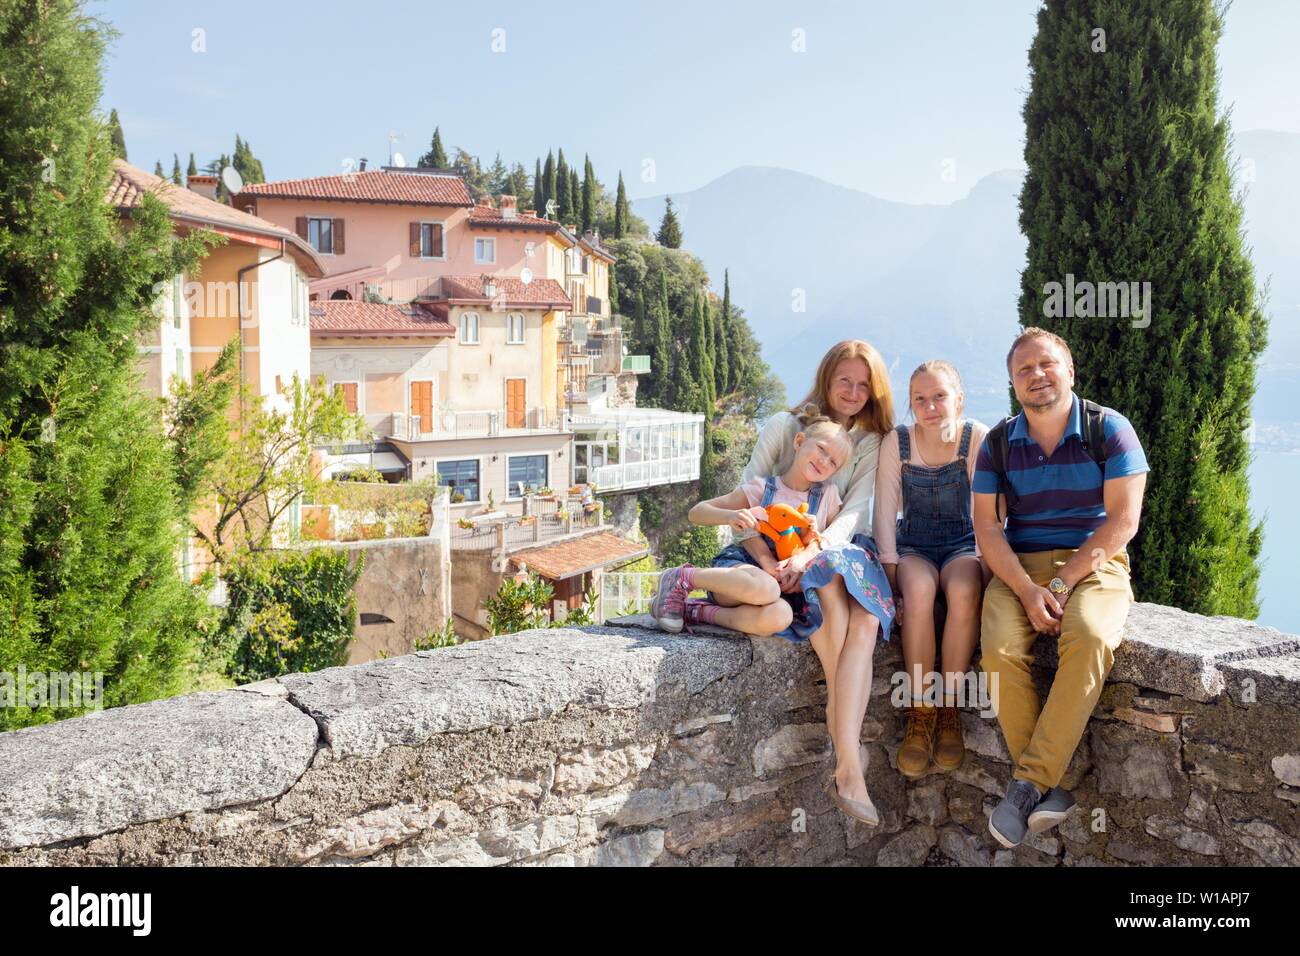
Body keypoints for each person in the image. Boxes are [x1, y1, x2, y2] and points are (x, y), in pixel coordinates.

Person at [649, 408, 895, 825]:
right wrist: (734, 517)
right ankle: (681, 576)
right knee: (764, 590)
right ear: (799, 443)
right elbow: (699, 512)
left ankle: (695, 610)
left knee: (777, 616)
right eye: (820, 450)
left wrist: (803, 557)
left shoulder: (827, 500)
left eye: (834, 462)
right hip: (740, 573)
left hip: (778, 594)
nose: (824, 463)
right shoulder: (761, 488)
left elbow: (821, 546)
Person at [973, 328, 1148, 848]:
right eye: (1023, 370)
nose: (1036, 376)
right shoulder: (999, 445)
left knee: (1091, 637)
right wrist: (1029, 590)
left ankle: (1028, 784)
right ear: (1012, 383)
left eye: (1046, 365)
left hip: (1096, 561)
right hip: (1019, 566)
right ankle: (1046, 786)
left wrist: (1064, 580)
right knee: (999, 650)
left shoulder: (1109, 429)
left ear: (1069, 371)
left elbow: (1123, 521)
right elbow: (986, 528)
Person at [874, 360, 990, 777]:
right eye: (920, 399)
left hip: (963, 544)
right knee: (920, 592)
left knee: (962, 592)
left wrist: (984, 567)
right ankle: (920, 715)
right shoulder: (897, 442)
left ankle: (949, 708)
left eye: (939, 396)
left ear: (958, 399)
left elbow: (986, 513)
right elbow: (884, 515)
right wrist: (891, 586)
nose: (930, 406)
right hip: (914, 546)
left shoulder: (976, 437)